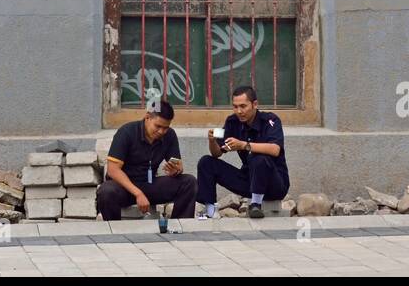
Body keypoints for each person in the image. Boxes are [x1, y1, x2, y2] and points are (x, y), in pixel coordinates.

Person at [196, 85, 289, 219]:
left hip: (275, 184)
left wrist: (244, 145)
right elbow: (217, 153)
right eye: (235, 106)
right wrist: (212, 141)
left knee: (259, 158)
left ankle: (255, 205)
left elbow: (275, 149)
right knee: (206, 162)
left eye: (243, 106)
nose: (239, 111)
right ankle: (210, 211)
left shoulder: (270, 120)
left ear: (254, 104)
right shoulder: (232, 122)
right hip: (249, 181)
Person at [96, 99, 197, 220]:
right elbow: (113, 170)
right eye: (158, 126)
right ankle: (113, 230)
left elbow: (177, 164)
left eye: (165, 127)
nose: (161, 131)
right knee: (106, 191)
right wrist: (138, 193)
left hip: (149, 185)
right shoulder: (126, 132)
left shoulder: (169, 135)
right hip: (124, 187)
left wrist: (176, 171)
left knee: (189, 182)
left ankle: (180, 225)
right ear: (147, 117)